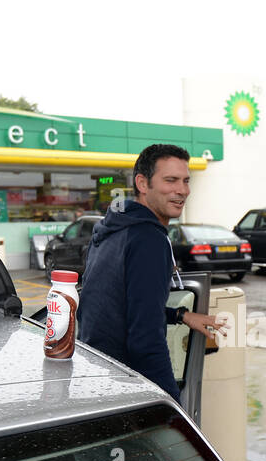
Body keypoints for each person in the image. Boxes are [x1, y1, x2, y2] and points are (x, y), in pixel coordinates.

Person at [77, 143, 227, 400]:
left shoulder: (111, 229)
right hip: (124, 388)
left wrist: (180, 315)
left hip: (93, 374)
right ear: (143, 184)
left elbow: (116, 305)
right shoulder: (148, 240)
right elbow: (145, 341)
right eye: (170, 180)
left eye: (185, 181)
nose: (182, 190)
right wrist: (172, 409)